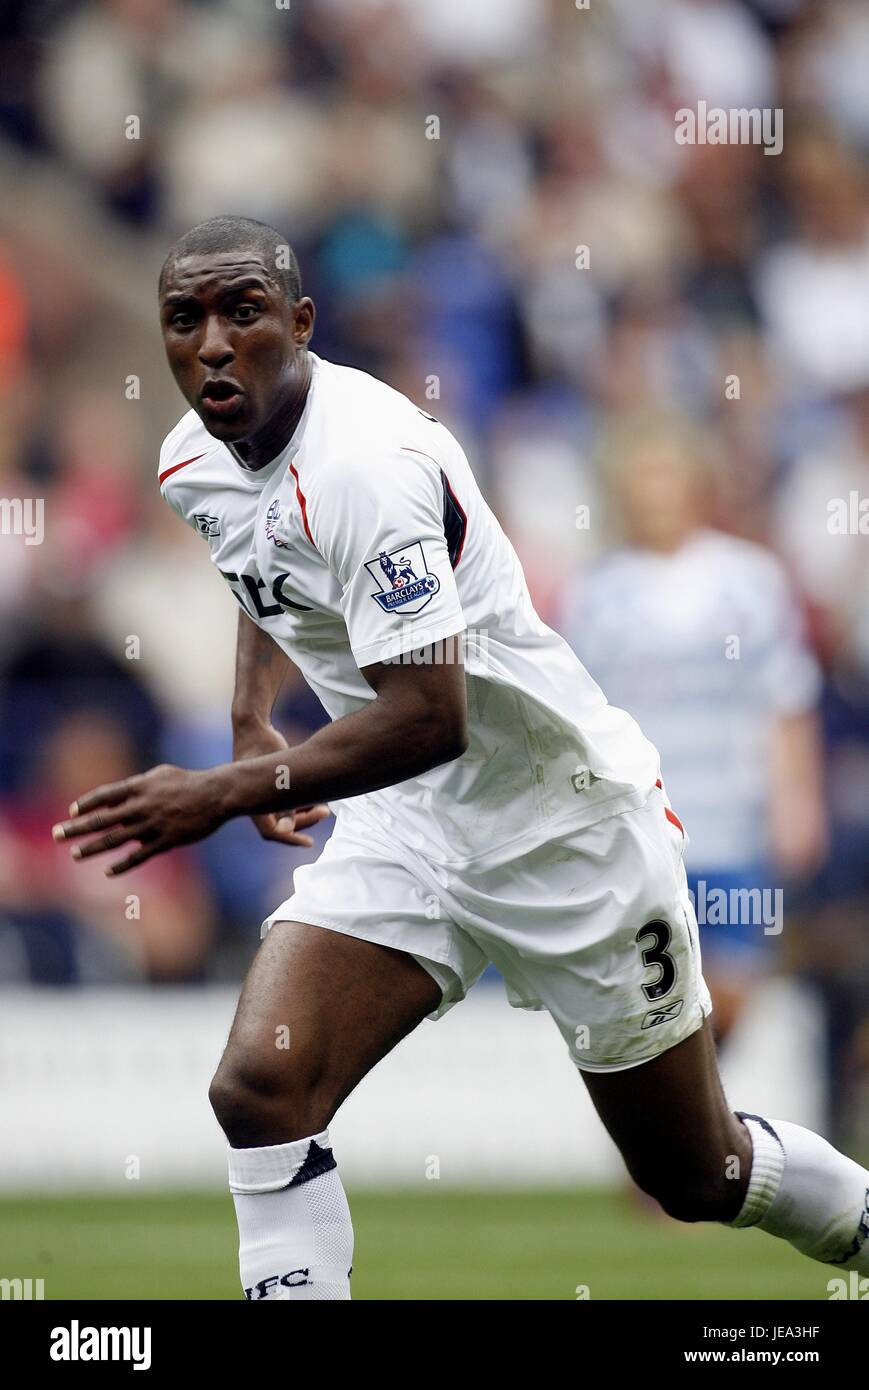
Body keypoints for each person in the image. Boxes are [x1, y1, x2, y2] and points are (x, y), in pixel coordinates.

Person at [54, 217, 868, 1300]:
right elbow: (260, 561)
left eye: (240, 311)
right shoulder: (194, 455)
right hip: (406, 824)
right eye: (183, 318)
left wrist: (221, 787)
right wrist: (253, 718)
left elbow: (427, 714)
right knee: (261, 1086)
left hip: (559, 825)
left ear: (299, 323)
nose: (209, 343)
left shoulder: (372, 467)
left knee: (693, 1169)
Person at [557, 415, 827, 1043]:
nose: (654, 490)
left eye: (665, 472)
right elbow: (577, 715)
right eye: (641, 475)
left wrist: (798, 803)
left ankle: (697, 1126)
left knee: (732, 992)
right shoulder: (597, 593)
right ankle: (678, 1130)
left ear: (695, 481)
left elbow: (786, 699)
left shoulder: (750, 580)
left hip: (733, 818)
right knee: (653, 991)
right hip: (642, 824)